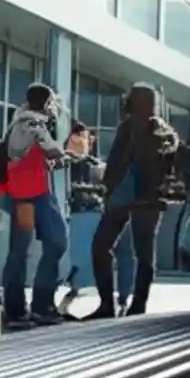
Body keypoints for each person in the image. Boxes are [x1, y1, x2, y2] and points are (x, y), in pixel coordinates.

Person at [90, 84, 179, 319]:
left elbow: (115, 164)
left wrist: (106, 189)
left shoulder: (129, 128)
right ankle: (137, 306)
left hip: (124, 198)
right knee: (144, 255)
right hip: (149, 199)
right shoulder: (166, 133)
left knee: (101, 247)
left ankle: (107, 305)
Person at [0, 83, 69, 329]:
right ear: (46, 102)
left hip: (33, 193)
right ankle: (27, 309)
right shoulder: (30, 122)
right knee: (38, 246)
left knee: (32, 247)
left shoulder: (24, 122)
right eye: (52, 103)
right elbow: (41, 151)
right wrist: (64, 154)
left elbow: (31, 156)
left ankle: (28, 308)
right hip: (27, 196)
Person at [61, 123, 135, 316]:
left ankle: (121, 298)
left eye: (83, 137)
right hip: (79, 216)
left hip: (102, 213)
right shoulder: (63, 163)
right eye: (75, 137)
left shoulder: (95, 165)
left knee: (121, 252)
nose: (79, 141)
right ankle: (111, 299)